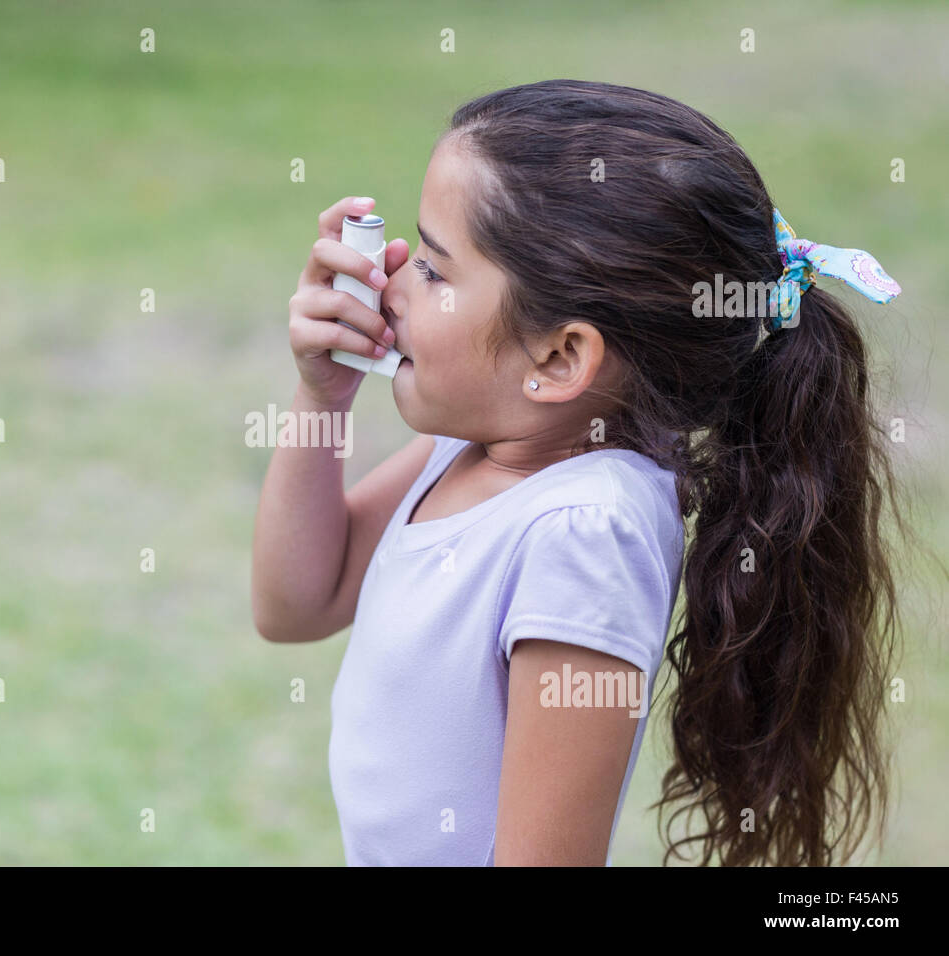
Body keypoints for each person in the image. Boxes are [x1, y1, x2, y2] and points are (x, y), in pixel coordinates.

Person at [251, 79, 906, 866]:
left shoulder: (584, 530)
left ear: (559, 358)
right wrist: (321, 394)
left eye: (432, 268)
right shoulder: (478, 449)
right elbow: (296, 604)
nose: (388, 285)